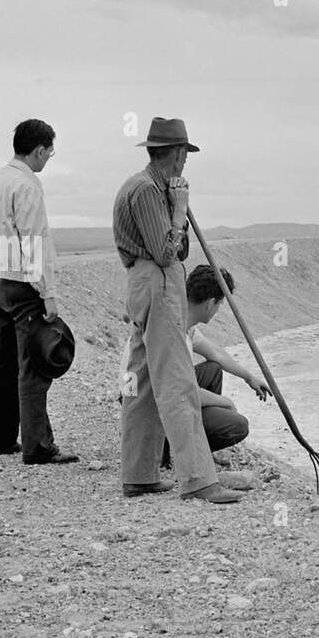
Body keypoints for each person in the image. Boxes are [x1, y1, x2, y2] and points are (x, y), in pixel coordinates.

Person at [112, 117, 240, 504]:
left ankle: (140, 475)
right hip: (158, 283)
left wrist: (175, 208)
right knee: (178, 382)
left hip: (147, 284)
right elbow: (168, 252)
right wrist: (180, 208)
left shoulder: (154, 188)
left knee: (142, 381)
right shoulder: (147, 190)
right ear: (178, 154)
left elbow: (178, 250)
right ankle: (199, 479)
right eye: (185, 155)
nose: (186, 164)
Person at [0, 118, 77, 464]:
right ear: (37, 150)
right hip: (22, 284)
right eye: (49, 151)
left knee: (3, 362)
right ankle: (38, 446)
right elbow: (34, 242)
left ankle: (0, 440)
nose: (49, 158)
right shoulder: (27, 186)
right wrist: (48, 294)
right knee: (33, 365)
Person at [160, 264, 270, 485]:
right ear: (211, 303)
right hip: (155, 407)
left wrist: (249, 377)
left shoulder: (182, 318)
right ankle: (183, 450)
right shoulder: (174, 333)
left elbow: (216, 354)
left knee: (212, 370)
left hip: (167, 393)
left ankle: (196, 444)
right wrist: (225, 402)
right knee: (237, 425)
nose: (218, 309)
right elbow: (183, 389)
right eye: (219, 304)